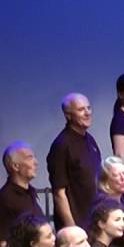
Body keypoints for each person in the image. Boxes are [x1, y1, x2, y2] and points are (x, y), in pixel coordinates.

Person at [48, 93, 103, 229]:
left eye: (88, 108)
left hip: (94, 221)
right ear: (68, 115)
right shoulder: (61, 145)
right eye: (81, 110)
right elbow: (59, 193)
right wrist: (72, 228)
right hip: (77, 225)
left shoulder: (90, 140)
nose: (87, 113)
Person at [0, 142, 44, 247]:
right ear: (15, 166)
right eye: (30, 158)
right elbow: (2, 245)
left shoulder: (30, 192)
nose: (36, 162)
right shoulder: (5, 199)